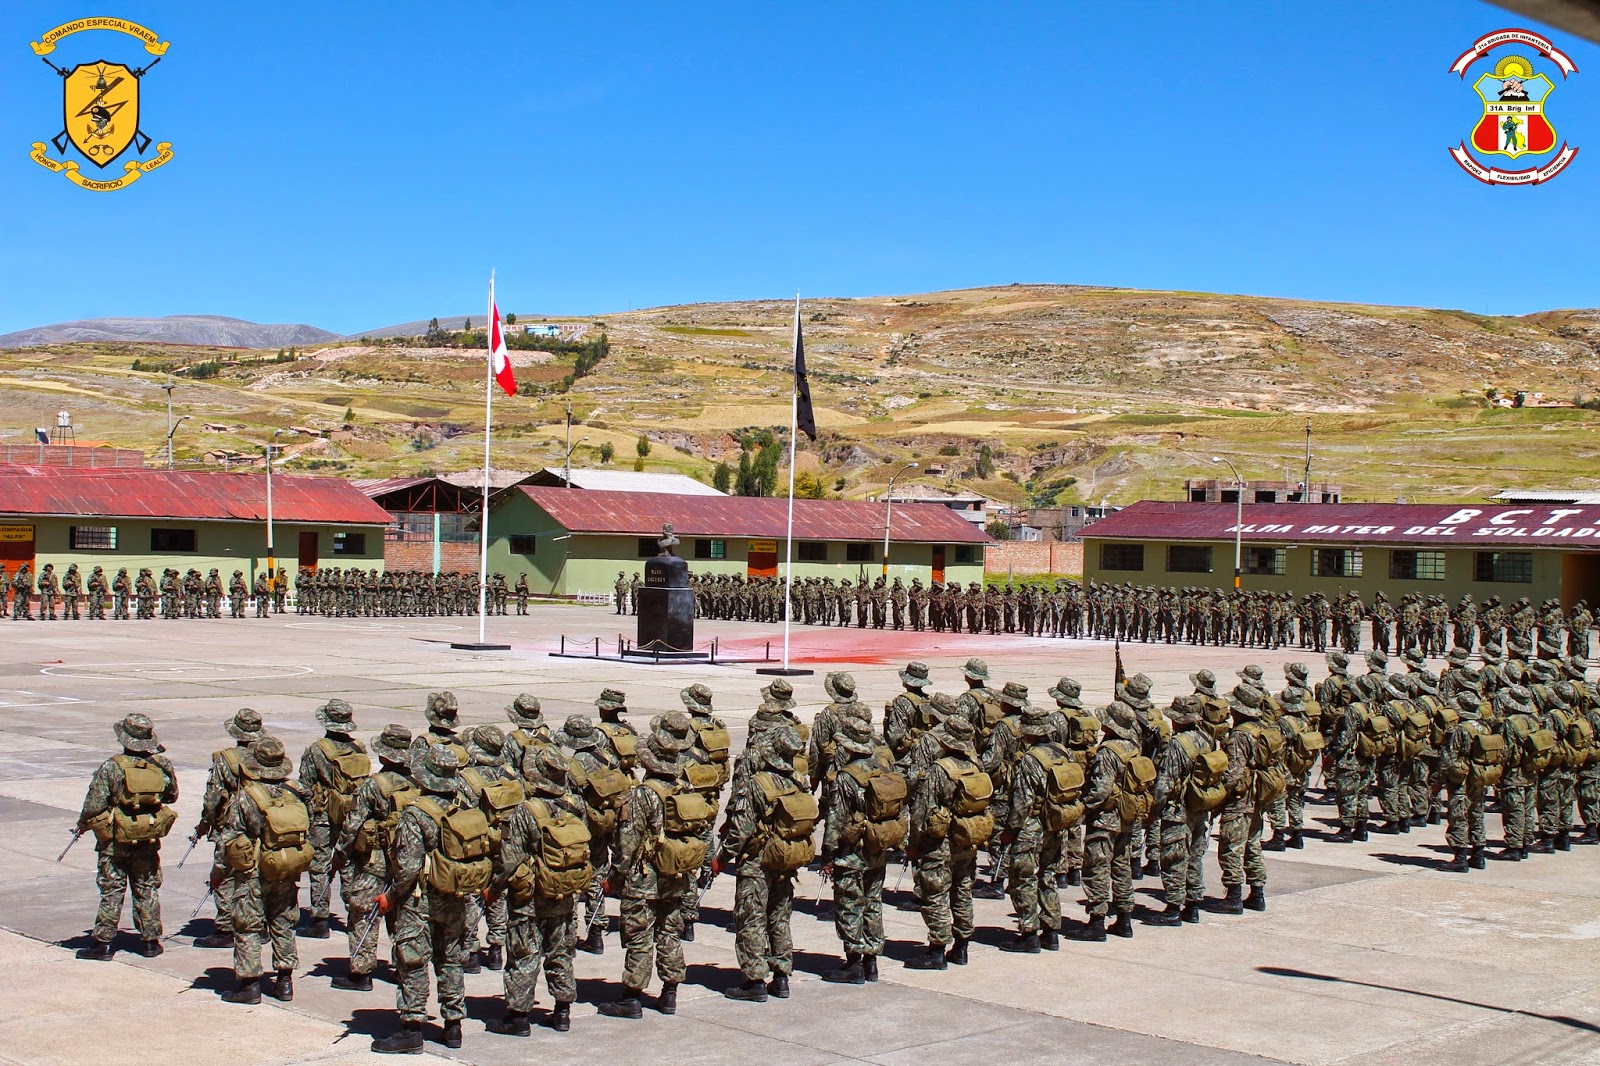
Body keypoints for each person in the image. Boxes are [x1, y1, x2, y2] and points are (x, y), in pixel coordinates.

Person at [371, 745, 492, 1054]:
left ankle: (411, 1028)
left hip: (419, 900)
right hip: (454, 897)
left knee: (412, 961)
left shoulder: (416, 813)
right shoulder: (463, 807)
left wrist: (391, 896)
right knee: (450, 959)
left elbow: (409, 867)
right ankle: (453, 1025)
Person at [599, 731, 706, 1018]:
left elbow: (627, 842)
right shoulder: (685, 788)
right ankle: (669, 992)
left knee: (639, 937)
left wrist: (615, 877)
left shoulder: (641, 795)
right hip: (676, 874)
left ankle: (632, 996)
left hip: (643, 878)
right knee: (670, 933)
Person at [488, 746, 590, 1035]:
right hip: (563, 894)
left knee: (524, 953)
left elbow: (510, 859)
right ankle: (562, 1011)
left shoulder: (525, 811)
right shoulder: (575, 806)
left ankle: (518, 1017)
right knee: (561, 952)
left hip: (529, 898)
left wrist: (495, 889)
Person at [718, 725, 814, 1000]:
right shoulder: (799, 781)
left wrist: (722, 857)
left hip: (757, 862)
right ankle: (781, 976)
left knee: (751, 918)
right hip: (785, 859)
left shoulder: (758, 784)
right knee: (780, 917)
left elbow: (741, 830)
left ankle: (755, 980)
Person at [217, 736, 313, 1004]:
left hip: (254, 873)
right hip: (286, 869)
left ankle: (249, 984)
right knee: (283, 922)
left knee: (247, 925)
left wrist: (218, 872)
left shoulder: (246, 797)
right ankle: (284, 981)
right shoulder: (296, 793)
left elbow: (229, 839)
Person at [75, 714, 179, 959]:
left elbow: (94, 804)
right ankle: (151, 941)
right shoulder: (161, 765)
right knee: (147, 887)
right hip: (147, 838)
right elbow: (172, 795)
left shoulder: (112, 767)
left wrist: (83, 824)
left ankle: (103, 944)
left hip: (115, 841)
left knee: (112, 889)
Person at [331, 724, 417, 991]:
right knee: (402, 915)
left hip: (373, 860)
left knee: (363, 913)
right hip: (406, 860)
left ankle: (361, 971)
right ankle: (403, 968)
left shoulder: (373, 786)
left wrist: (340, 854)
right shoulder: (419, 783)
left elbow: (352, 824)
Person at [819, 715, 902, 981]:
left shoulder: (846, 777)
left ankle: (854, 961)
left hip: (852, 852)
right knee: (873, 903)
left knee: (850, 905)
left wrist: (828, 854)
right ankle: (872, 960)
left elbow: (836, 819)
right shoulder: (882, 768)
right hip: (877, 848)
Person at [904, 715, 990, 968]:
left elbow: (922, 811)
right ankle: (962, 946)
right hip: (967, 839)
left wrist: (914, 844)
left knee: (936, 895)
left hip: (939, 844)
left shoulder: (939, 770)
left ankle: (937, 950)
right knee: (962, 892)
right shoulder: (975, 766)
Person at [1069, 700, 1150, 941]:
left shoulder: (1108, 752)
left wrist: (1083, 808)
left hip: (1105, 819)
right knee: (1121, 865)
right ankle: (1124, 918)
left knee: (1097, 867)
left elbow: (1101, 790)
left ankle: (1096, 921)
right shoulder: (1133, 748)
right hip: (1126, 816)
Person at [999, 703, 1076, 952]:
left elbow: (1022, 803)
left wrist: (1009, 832)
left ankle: (1029, 932)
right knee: (1048, 876)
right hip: (1056, 823)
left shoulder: (1030, 760)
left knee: (1023, 879)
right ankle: (1051, 930)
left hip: (1031, 827)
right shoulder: (1062, 752)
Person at [1148, 695, 1226, 926]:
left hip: (1177, 810)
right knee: (1194, 856)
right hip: (1199, 806)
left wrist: (1154, 810)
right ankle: (1192, 904)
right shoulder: (1206, 739)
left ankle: (1173, 907)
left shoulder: (1177, 744)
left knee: (1173, 857)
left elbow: (1165, 783)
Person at [193, 708, 265, 949]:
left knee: (226, 873)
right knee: (258, 871)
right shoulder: (267, 754)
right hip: (262, 818)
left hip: (232, 823)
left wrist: (206, 822)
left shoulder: (226, 758)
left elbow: (213, 797)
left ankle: (225, 927)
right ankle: (259, 923)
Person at [298, 699, 370, 940]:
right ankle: (354, 912)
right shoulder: (358, 747)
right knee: (349, 863)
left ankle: (319, 919)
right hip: (351, 814)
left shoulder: (317, 750)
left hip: (322, 815)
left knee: (319, 864)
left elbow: (306, 785)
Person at [458, 725, 523, 973]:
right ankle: (496, 947)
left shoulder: (467, 779)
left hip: (477, 844)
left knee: (470, 895)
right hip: (503, 843)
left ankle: (471, 950)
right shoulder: (510, 776)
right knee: (498, 893)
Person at [1216, 679, 1279, 914]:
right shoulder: (1261, 730)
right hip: (1258, 797)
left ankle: (1233, 896)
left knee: (1231, 846)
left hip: (1240, 800)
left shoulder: (1239, 736)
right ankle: (1257, 892)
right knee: (1253, 844)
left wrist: (1219, 797)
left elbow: (1233, 774)